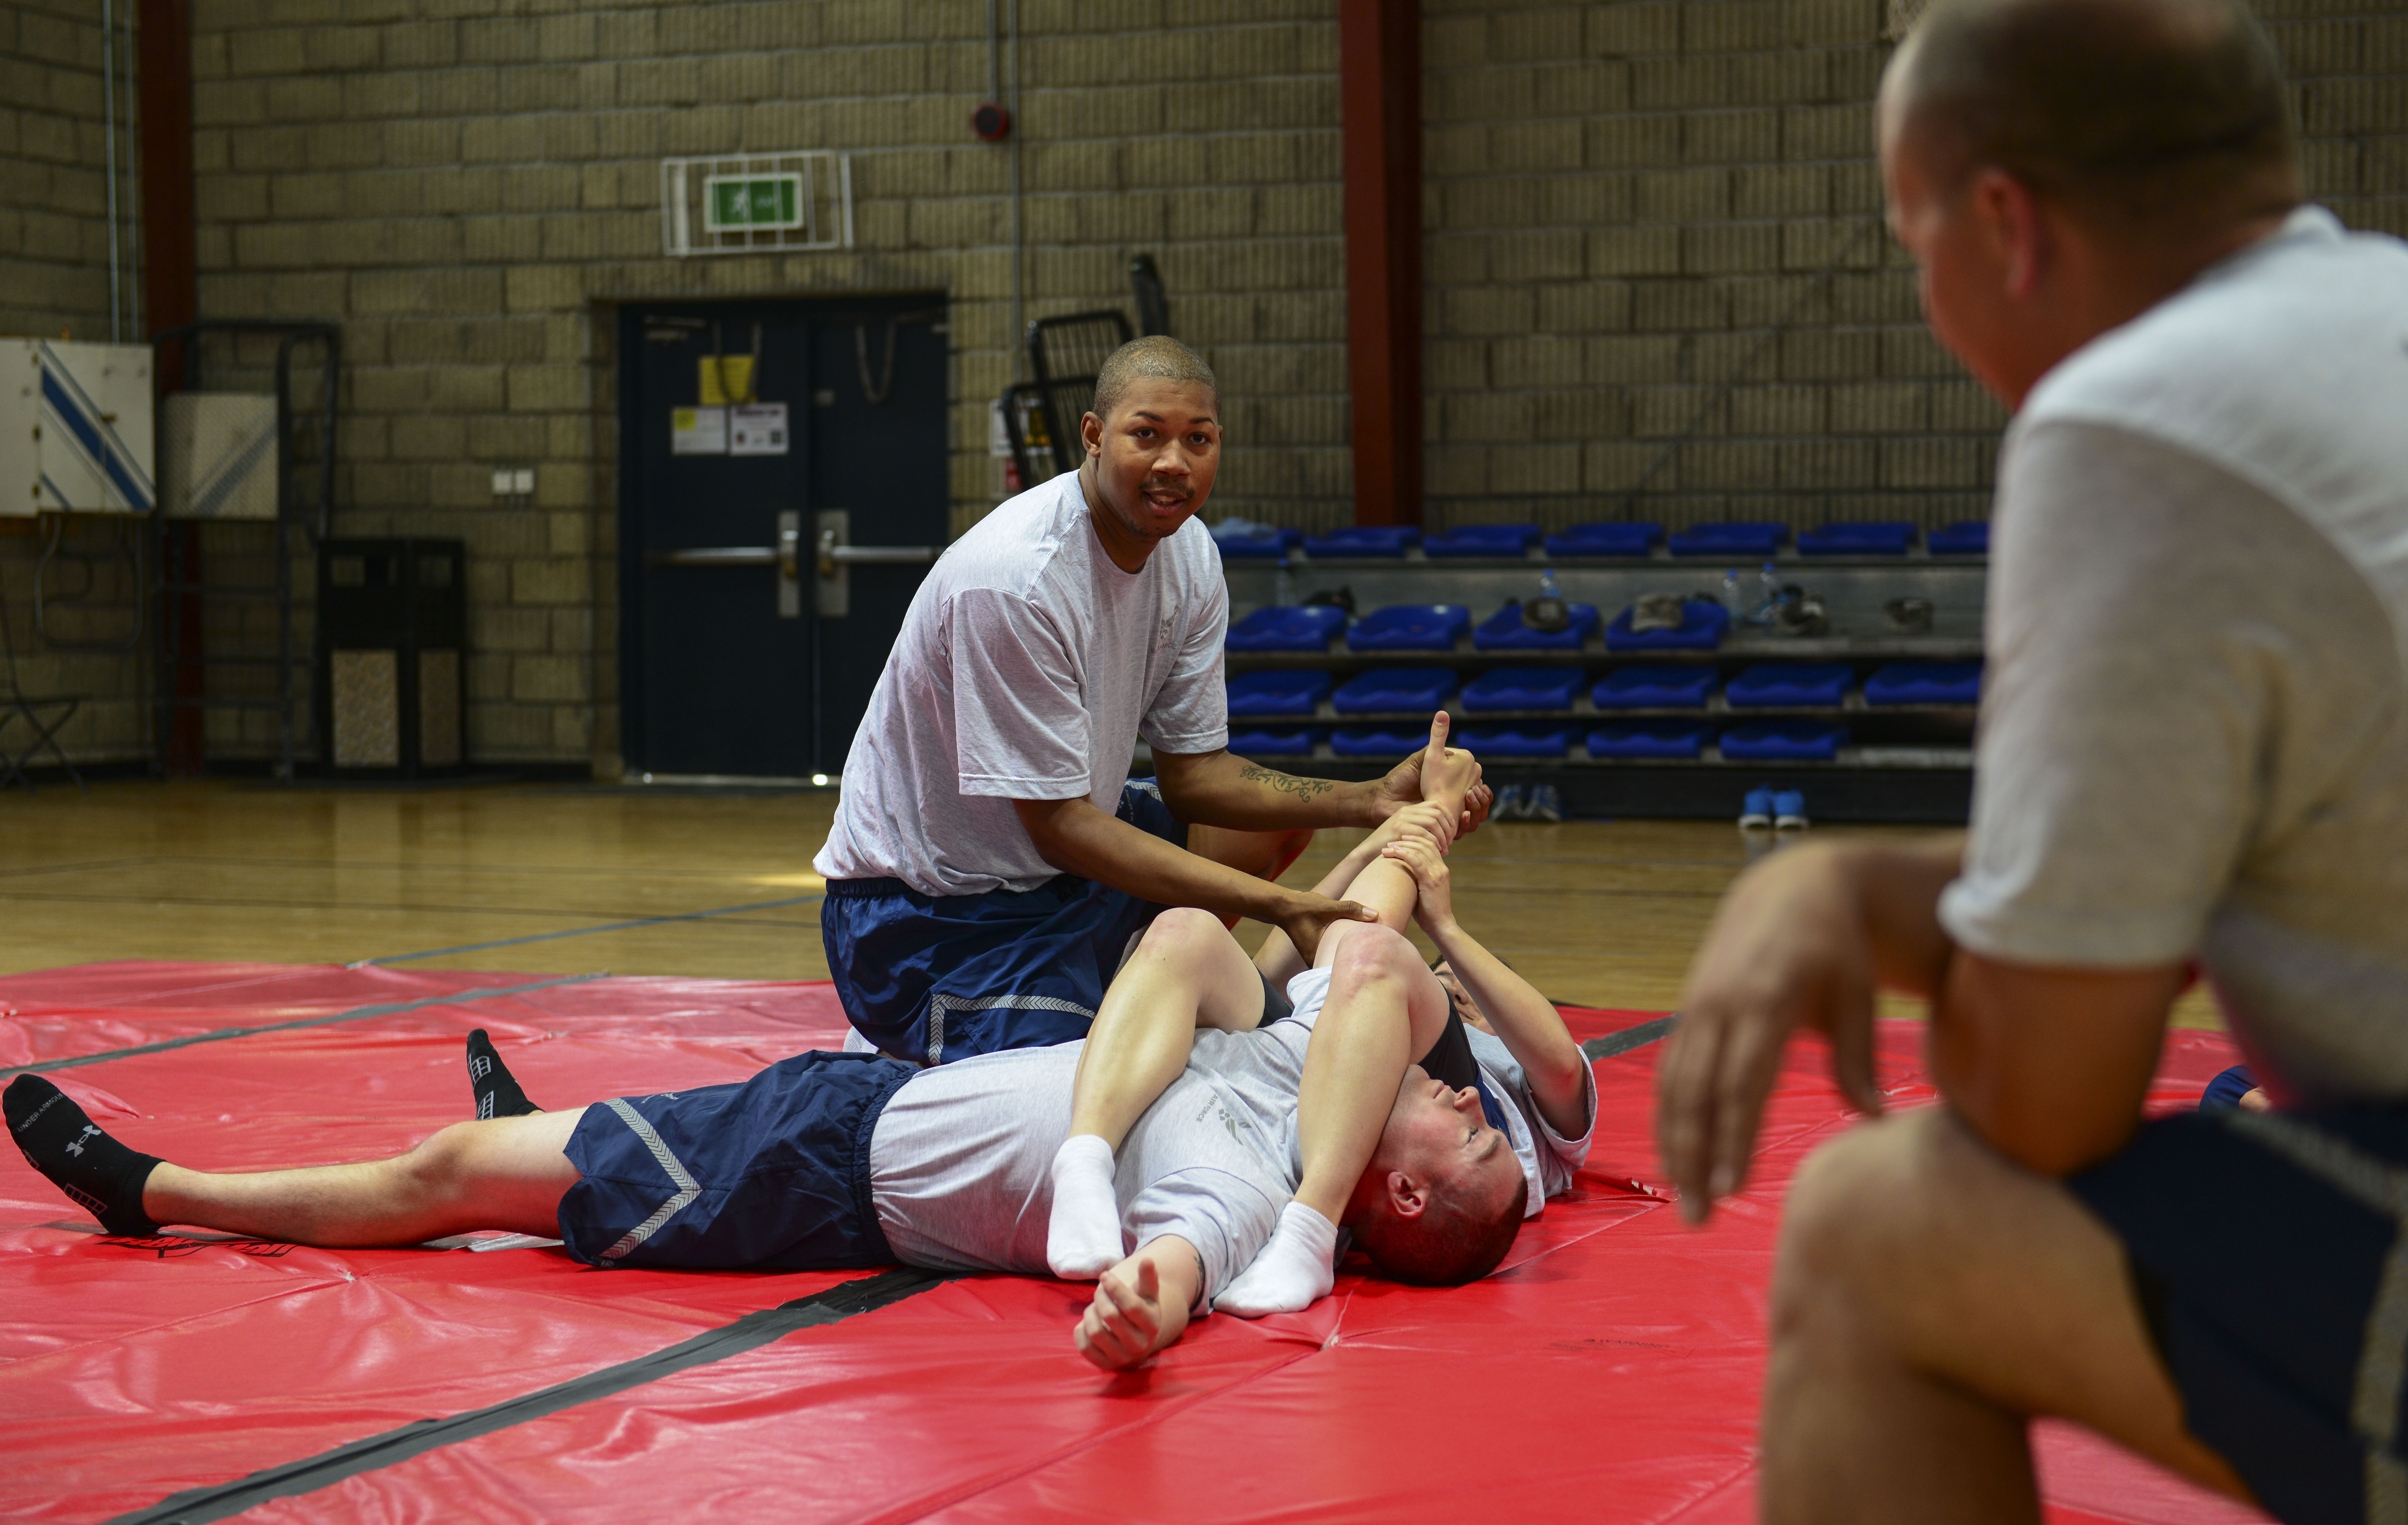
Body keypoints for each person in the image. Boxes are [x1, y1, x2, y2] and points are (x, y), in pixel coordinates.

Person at [1652, 0, 2408, 1525]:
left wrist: (1856, 900)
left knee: (1872, 1226)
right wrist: (1860, 892)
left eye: (1909, 240)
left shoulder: (2141, 415)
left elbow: (2047, 1096)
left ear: (2000, 224)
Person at [4, 923, 1522, 1377]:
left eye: (1464, 1139)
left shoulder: (1259, 1194)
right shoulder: (1299, 1050)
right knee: (506, 1171)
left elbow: (1180, 1251)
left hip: (811, 1167)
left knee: (449, 1176)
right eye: (1472, 1107)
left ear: (1394, 1193)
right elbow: (1370, 952)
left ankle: (157, 1192)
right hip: (855, 1096)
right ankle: (525, 1141)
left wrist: (1144, 1308)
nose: (1466, 1103)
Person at [813, 335, 1485, 1065]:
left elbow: (1196, 777)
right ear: (1093, 438)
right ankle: (935, 1030)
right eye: (1147, 434)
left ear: (1218, 445)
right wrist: (1279, 906)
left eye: (1196, 439)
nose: (1174, 461)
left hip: (1055, 859)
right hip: (931, 910)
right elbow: (1059, 827)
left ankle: (1138, 977)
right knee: (1066, 1086)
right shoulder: (1014, 579)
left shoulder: (1190, 554)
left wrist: (1367, 799)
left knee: (1257, 833)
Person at [1050, 728, 1596, 1314]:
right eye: (1445, 982)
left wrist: (1445, 913)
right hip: (1311, 1076)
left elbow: (1561, 1065)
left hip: (1345, 1106)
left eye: (1460, 996)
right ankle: (1085, 1158)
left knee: (1371, 953)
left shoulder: (1502, 1097)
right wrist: (1375, 845)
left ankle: (1309, 1227)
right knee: (1187, 935)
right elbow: (1281, 966)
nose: (1461, 1097)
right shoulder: (1364, 1003)